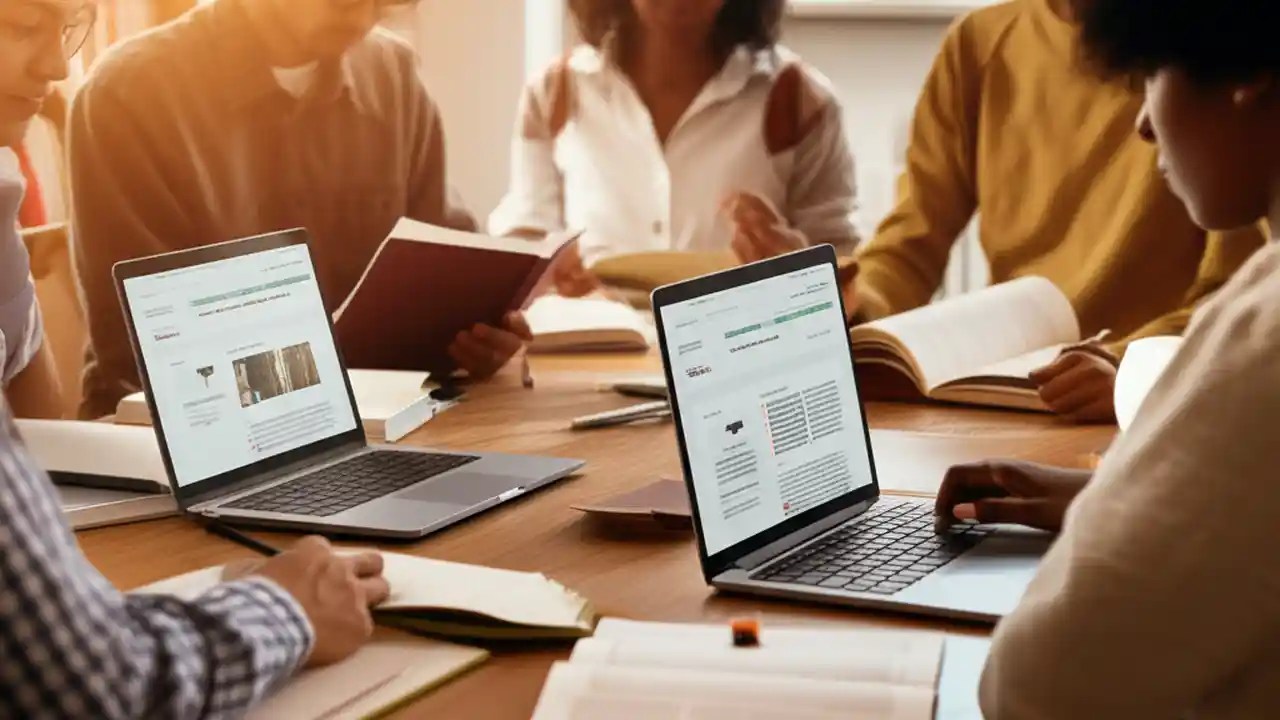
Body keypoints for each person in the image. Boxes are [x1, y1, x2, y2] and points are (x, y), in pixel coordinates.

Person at [0, 3, 390, 717]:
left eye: (65, 29)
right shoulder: (130, 90)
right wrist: (280, 610)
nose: (56, 67)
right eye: (23, 26)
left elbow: (33, 467)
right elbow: (98, 689)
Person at [937, 0, 1280, 715]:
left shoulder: (1264, 333)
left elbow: (1036, 687)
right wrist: (1113, 502)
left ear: (1246, 75)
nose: (1143, 122)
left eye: (1152, 71)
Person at [69, 0, 531, 420]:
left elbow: (444, 261)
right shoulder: (130, 93)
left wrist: (481, 337)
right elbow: (152, 351)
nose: (363, 15)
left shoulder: (393, 74)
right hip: (184, 440)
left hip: (385, 419)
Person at [846, 0, 1267, 423]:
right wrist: (852, 311)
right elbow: (912, 236)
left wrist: (1128, 367)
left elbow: (1238, 289)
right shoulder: (980, 40)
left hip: (1144, 393)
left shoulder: (1193, 41)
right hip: (1014, 393)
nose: (1146, 125)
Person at [489, 0, 859, 297]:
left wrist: (799, 266)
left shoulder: (802, 102)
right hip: (591, 362)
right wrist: (547, 270)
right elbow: (523, 240)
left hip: (738, 359)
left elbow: (847, 269)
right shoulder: (554, 93)